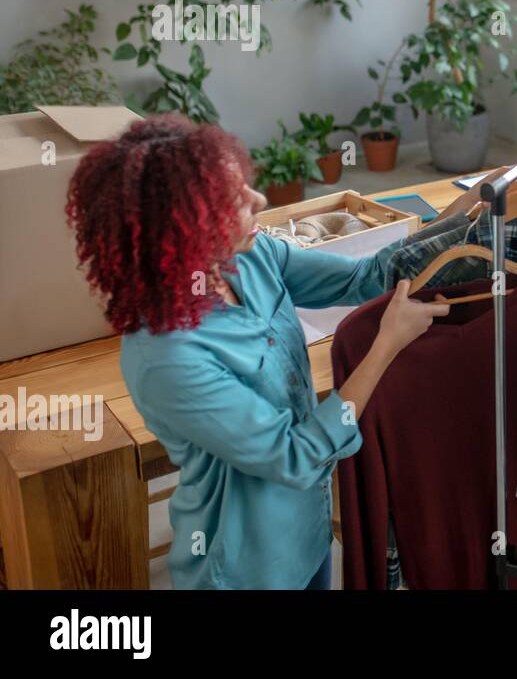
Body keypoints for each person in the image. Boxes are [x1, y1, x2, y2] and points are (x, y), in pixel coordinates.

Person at [66, 114, 445, 589]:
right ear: (183, 230)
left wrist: (455, 227)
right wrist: (386, 343)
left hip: (307, 535)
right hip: (245, 569)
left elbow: (360, 276)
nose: (260, 201)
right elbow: (294, 455)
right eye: (234, 202)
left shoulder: (249, 258)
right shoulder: (166, 357)